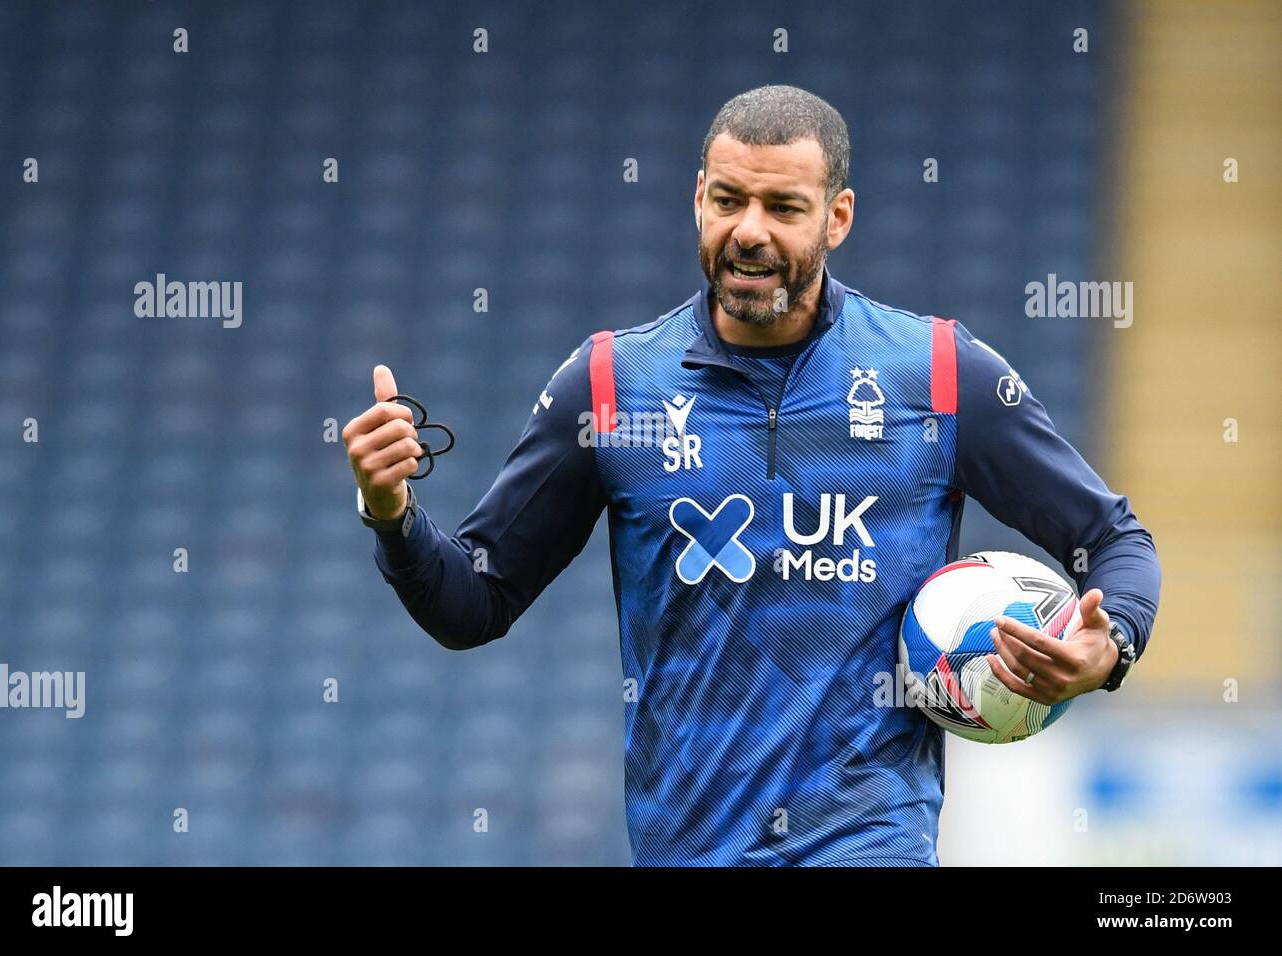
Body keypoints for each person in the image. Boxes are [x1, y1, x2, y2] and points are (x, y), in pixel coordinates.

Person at [343, 85, 1161, 866]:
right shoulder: (608, 386)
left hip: (870, 843)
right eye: (729, 199)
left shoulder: (940, 374)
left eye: (784, 208)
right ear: (697, 198)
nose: (750, 231)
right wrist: (392, 511)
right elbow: (475, 603)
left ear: (837, 217)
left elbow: (1112, 538)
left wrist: (1110, 642)